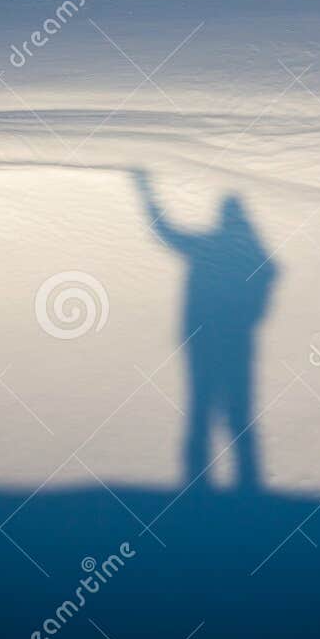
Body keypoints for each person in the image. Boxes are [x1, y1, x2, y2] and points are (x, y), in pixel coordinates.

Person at [132, 170, 277, 493]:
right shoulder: (249, 254)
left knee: (204, 412)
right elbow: (271, 272)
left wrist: (144, 190)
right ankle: (245, 488)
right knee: (235, 414)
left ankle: (200, 487)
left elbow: (164, 231)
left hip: (205, 344)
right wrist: (250, 316)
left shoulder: (209, 246)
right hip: (231, 345)